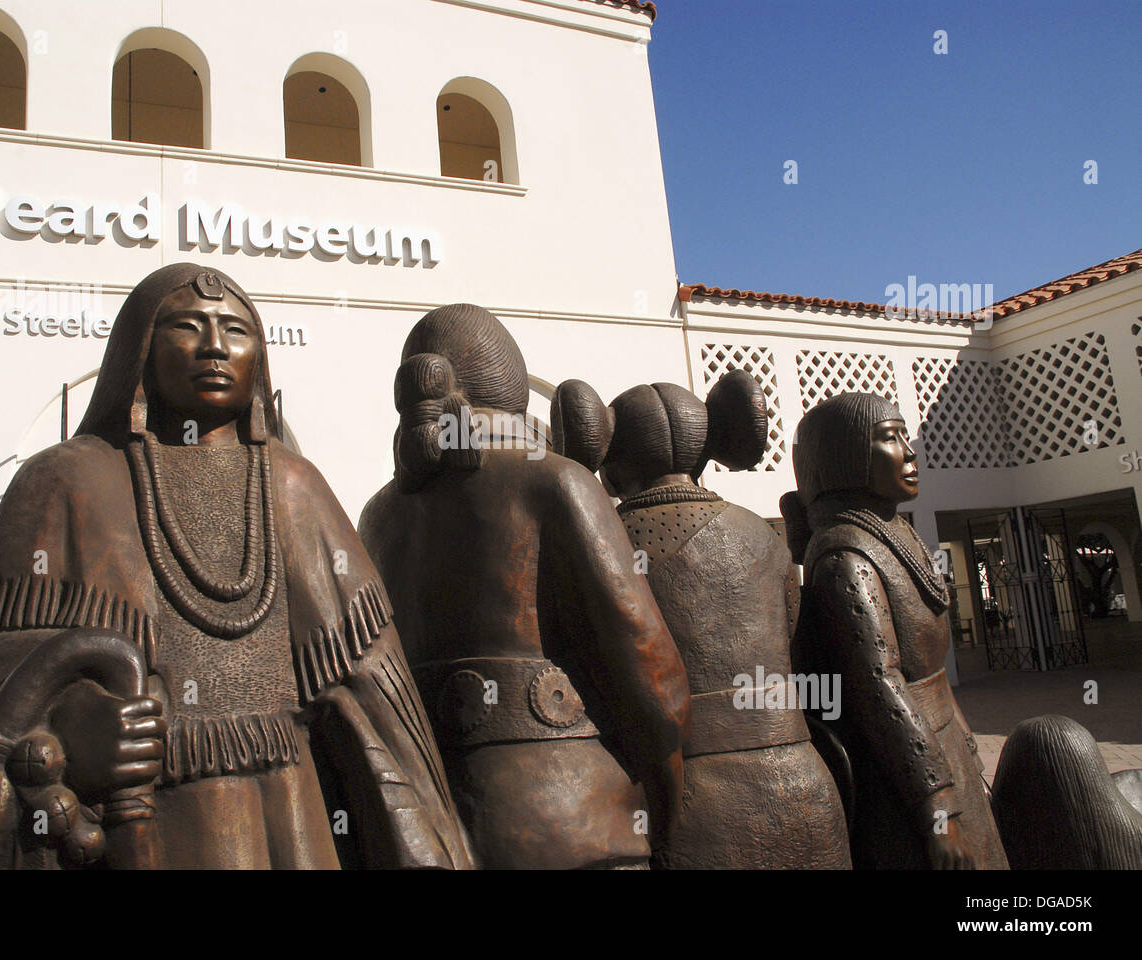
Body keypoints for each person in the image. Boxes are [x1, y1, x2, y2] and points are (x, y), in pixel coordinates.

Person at [0, 263, 472, 870]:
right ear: (138, 350)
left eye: (237, 330)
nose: (215, 346)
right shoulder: (65, 481)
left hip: (294, 809)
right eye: (188, 326)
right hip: (145, 814)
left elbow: (375, 685)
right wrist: (69, 718)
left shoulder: (297, 486)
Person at [358, 303, 689, 869]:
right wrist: (669, 795)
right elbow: (653, 676)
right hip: (574, 816)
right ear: (513, 386)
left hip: (437, 823)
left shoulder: (377, 516)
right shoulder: (558, 480)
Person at [551, 374, 851, 869]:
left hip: (677, 800)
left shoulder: (603, 544)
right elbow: (794, 637)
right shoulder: (762, 535)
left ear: (607, 466)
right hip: (800, 784)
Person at [780, 392, 1007, 869]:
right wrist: (937, 807)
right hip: (907, 776)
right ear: (845, 457)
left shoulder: (891, 531)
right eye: (889, 438)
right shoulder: (847, 556)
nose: (909, 451)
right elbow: (879, 686)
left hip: (943, 747)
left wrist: (964, 743)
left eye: (905, 435)